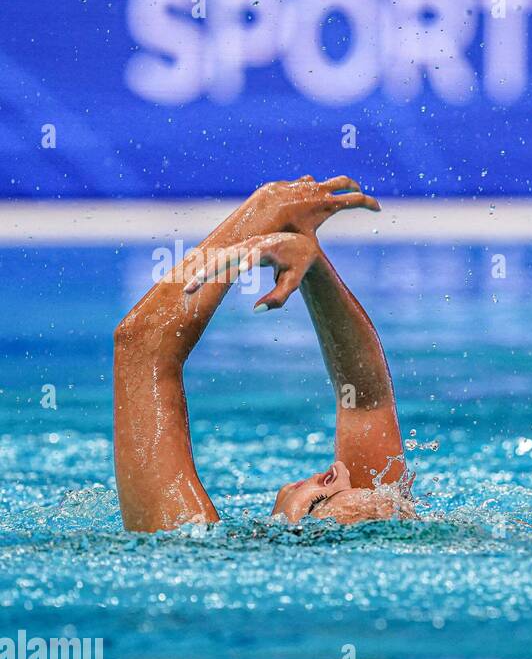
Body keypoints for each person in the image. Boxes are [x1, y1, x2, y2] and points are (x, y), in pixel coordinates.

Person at [113, 176, 413, 532]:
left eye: (323, 498)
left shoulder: (188, 546)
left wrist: (262, 212)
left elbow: (141, 348)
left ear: (296, 530)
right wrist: (313, 265)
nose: (336, 472)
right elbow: (365, 400)